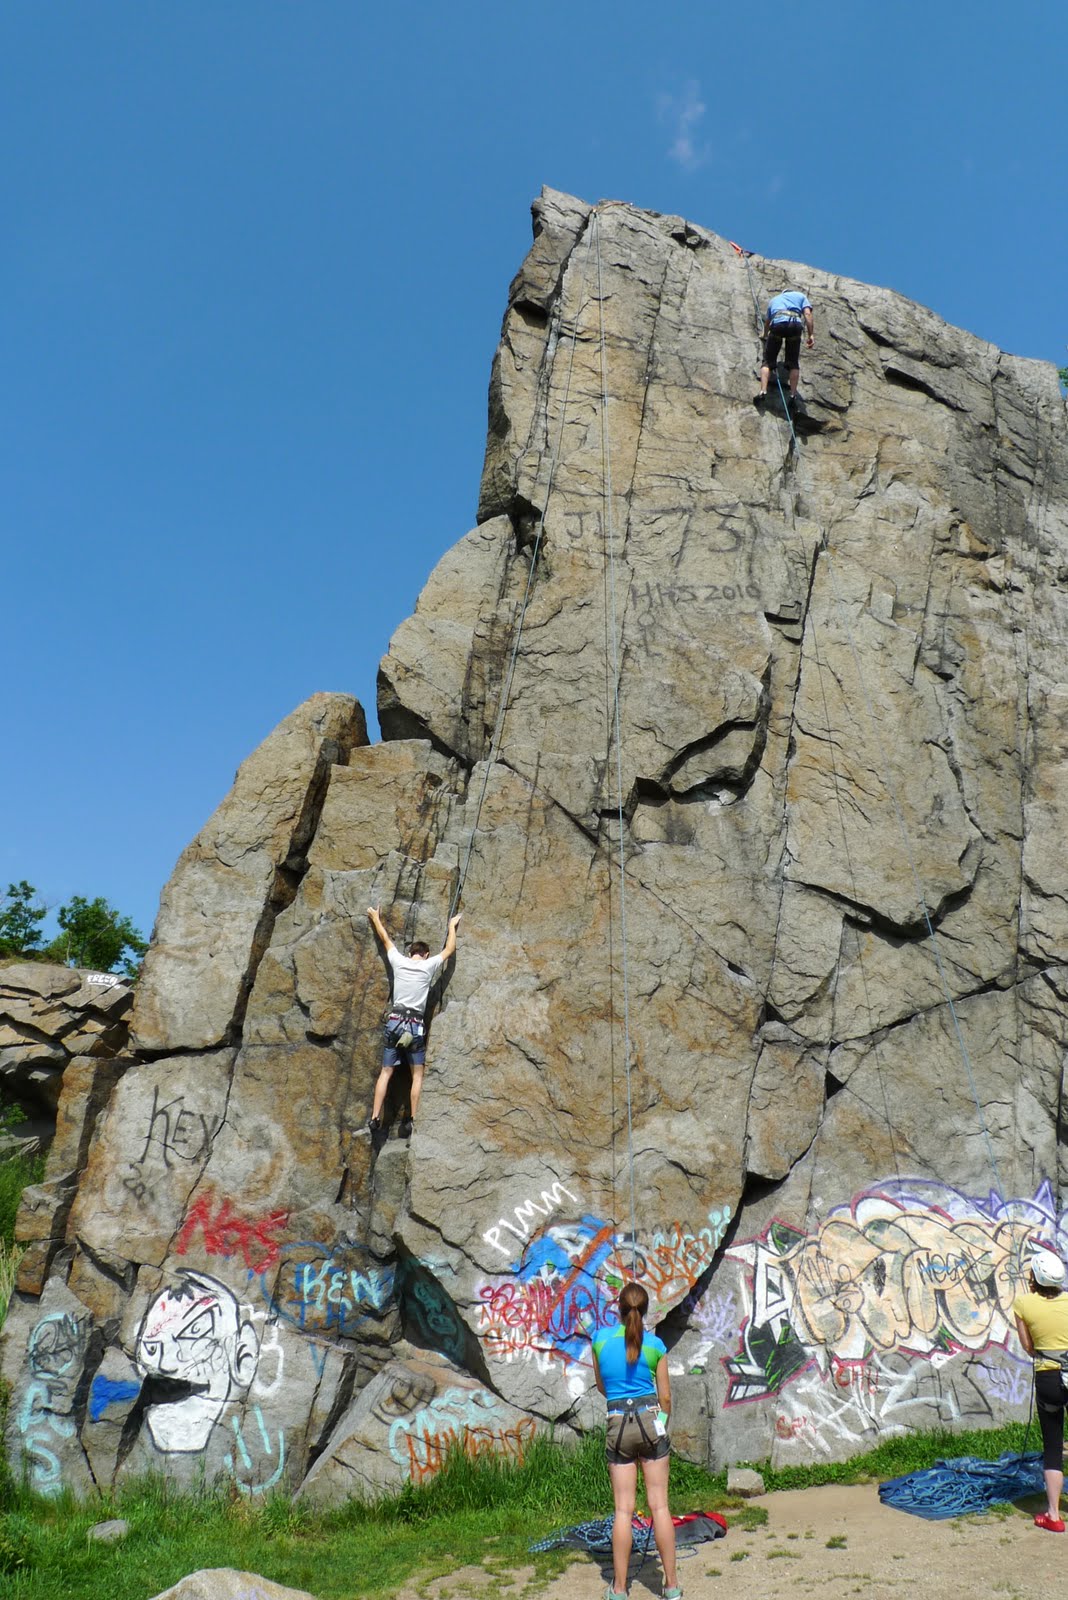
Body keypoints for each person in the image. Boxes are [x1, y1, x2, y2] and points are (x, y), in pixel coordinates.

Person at [591, 1281, 681, 1600]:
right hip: (649, 1421)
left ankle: (619, 1588)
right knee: (660, 1505)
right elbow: (665, 1398)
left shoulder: (600, 1340)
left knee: (623, 1510)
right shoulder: (656, 1345)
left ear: (618, 1308)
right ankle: (671, 1586)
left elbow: (601, 1386)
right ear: (645, 1311)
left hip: (618, 1422)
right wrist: (660, 1424)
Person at [366, 905, 460, 1138]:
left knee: (386, 1072)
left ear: (410, 954)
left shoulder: (398, 961)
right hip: (415, 1026)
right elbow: (449, 950)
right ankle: (412, 1120)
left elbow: (385, 939)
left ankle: (375, 1118)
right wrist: (451, 926)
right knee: (416, 1075)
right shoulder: (428, 966)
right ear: (426, 954)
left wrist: (375, 917)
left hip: (395, 1022)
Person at [1013, 1248, 1068, 1532]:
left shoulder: (1023, 1303)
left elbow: (1028, 1346)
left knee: (1052, 1446)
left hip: (1049, 1378)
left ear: (1035, 1276)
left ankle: (1054, 1516)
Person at [754, 289, 814, 409]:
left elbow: (767, 323)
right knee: (793, 363)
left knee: (767, 362)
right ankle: (793, 395)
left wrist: (764, 335)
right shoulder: (800, 296)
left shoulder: (774, 300)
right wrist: (811, 335)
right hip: (795, 325)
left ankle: (763, 391)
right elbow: (807, 314)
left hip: (778, 325)